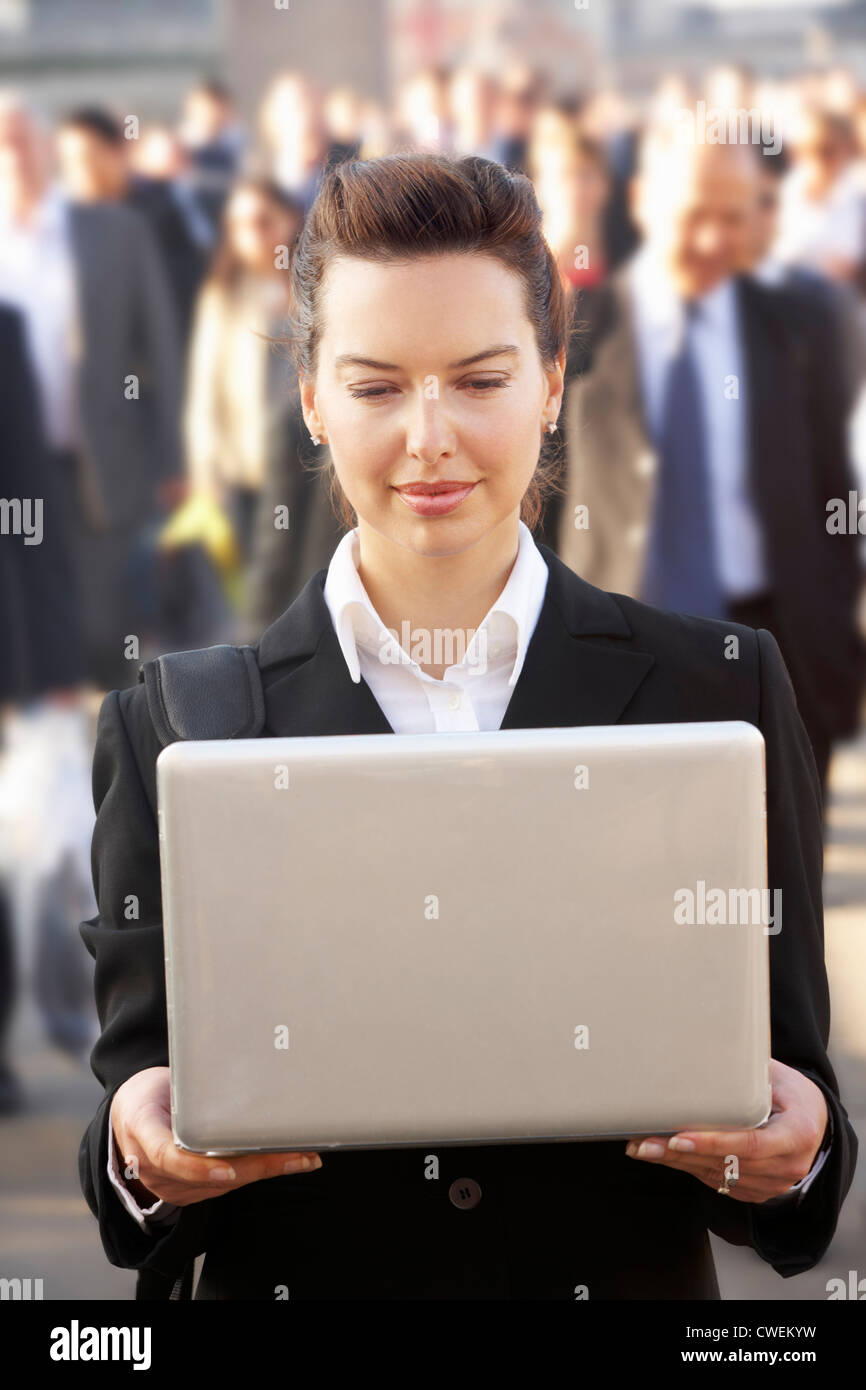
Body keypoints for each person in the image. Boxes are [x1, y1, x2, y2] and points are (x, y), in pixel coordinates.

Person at [80, 152, 855, 1301]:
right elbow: (131, 1165)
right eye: (376, 385)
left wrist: (799, 1154)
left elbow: (795, 1136)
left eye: (478, 381)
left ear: (551, 380)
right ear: (309, 397)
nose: (428, 438)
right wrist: (137, 1151)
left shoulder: (717, 687)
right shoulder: (176, 725)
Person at [556, 132, 865, 796]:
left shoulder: (803, 326)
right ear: (641, 203)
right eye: (695, 215)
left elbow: (832, 494)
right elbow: (540, 506)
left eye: (734, 217)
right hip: (620, 659)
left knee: (777, 882)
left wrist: (835, 644)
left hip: (780, 655)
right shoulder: (575, 333)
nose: (713, 241)